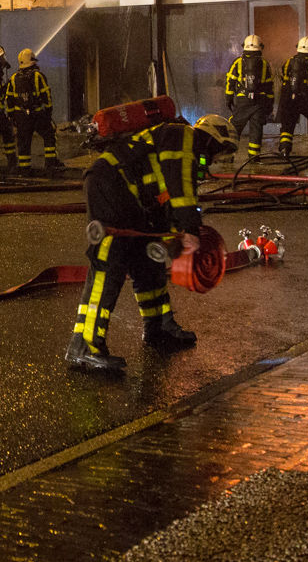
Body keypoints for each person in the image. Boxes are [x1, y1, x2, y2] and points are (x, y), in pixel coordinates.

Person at [67, 113, 237, 373]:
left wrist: (174, 239)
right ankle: (84, 346)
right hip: (110, 185)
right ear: (215, 137)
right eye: (220, 152)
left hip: (133, 199)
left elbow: (165, 200)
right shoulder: (184, 136)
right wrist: (190, 229)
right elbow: (179, 185)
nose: (213, 160)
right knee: (108, 267)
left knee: (149, 262)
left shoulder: (173, 145)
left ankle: (158, 329)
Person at [5, 48, 63, 175]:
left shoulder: (14, 78)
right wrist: (48, 111)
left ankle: (24, 168)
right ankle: (50, 164)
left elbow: (8, 98)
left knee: (23, 142)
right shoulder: (38, 76)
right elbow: (46, 95)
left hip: (20, 116)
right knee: (48, 135)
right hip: (37, 114)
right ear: (32, 61)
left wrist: (11, 116)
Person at [276, 36, 308, 158]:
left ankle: (284, 150)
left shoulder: (288, 62)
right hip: (307, 99)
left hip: (289, 99)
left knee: (287, 125)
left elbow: (283, 78)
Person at [223, 35, 274, 159]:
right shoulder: (265, 64)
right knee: (256, 129)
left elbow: (231, 81)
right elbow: (269, 85)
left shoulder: (238, 62)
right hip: (259, 102)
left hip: (242, 101)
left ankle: (228, 155)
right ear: (260, 47)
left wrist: (229, 98)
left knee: (234, 128)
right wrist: (270, 102)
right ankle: (253, 156)